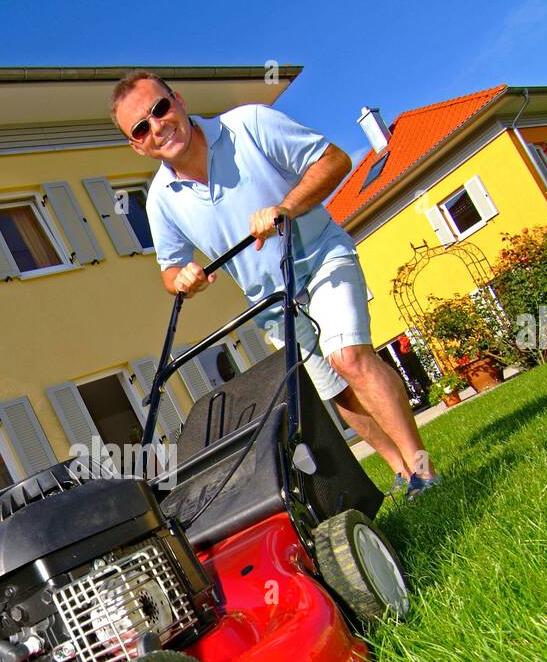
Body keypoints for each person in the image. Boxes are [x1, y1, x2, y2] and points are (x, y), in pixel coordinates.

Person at [110, 72, 440, 498]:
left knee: (349, 358)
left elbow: (335, 160)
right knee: (334, 388)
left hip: (318, 256)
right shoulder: (160, 199)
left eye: (160, 108)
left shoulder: (249, 124)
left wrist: (287, 206)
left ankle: (423, 470)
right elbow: (171, 270)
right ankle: (399, 471)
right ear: (136, 145)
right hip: (271, 302)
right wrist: (184, 280)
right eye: (141, 128)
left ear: (179, 100)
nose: (157, 126)